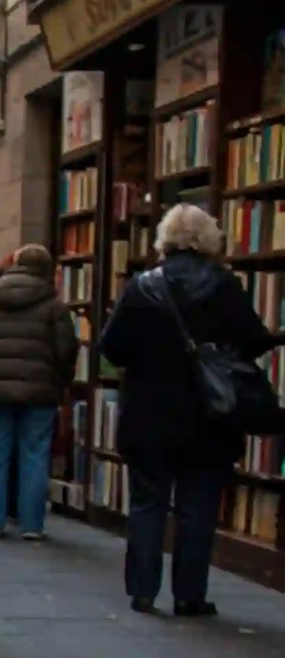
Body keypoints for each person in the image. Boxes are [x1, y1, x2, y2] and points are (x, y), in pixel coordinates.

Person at [101, 203, 281, 617]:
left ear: (165, 239)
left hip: (148, 414)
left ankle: (142, 591)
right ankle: (189, 595)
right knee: (197, 507)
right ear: (207, 239)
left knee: (148, 503)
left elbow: (112, 348)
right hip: (209, 414)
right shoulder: (224, 285)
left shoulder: (142, 287)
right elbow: (255, 339)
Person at [0, 244, 76, 542]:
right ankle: (32, 524)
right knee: (35, 454)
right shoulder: (55, 306)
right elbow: (65, 349)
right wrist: (62, 383)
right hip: (41, 391)